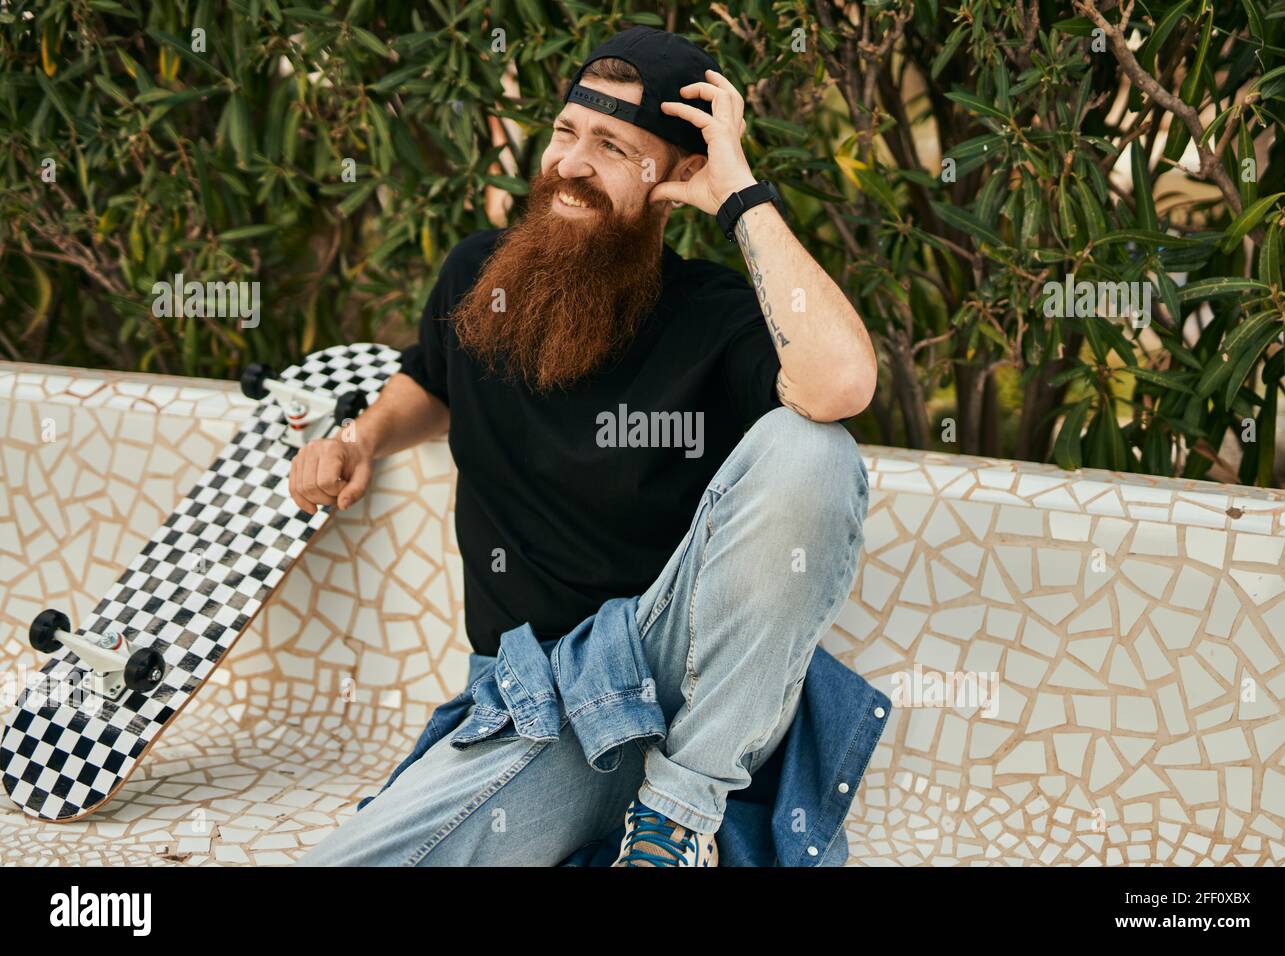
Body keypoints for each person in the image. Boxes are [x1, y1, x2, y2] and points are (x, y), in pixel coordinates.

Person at [292, 26, 877, 867]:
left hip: (676, 674)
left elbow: (840, 387)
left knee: (812, 449)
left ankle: (675, 823)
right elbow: (433, 379)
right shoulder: (479, 274)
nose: (570, 163)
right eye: (566, 132)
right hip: (539, 700)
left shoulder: (711, 314)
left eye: (612, 147)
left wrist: (739, 190)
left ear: (672, 177)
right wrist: (364, 437)